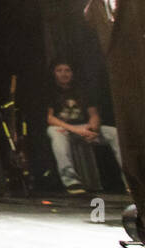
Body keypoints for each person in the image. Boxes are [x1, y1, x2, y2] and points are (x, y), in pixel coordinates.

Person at [46, 59, 124, 195]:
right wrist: (76, 130)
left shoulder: (82, 90)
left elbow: (94, 114)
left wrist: (93, 129)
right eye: (59, 71)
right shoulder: (49, 91)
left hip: (84, 128)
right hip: (65, 129)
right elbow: (50, 118)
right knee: (54, 132)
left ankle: (131, 179)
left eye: (67, 70)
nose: (64, 74)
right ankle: (71, 181)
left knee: (114, 133)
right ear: (54, 74)